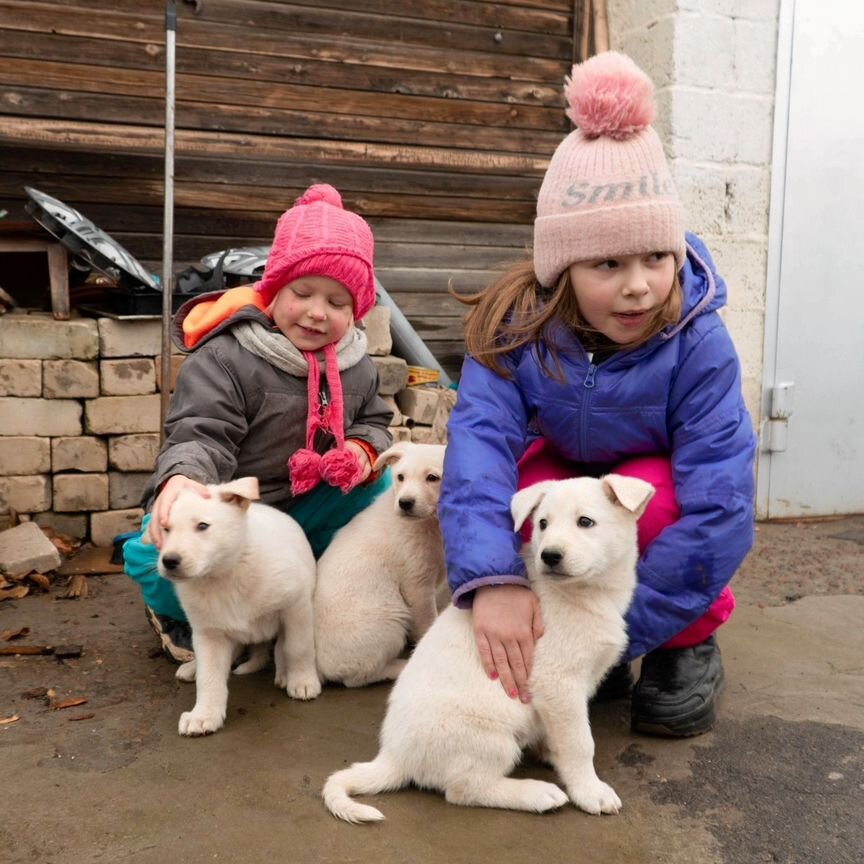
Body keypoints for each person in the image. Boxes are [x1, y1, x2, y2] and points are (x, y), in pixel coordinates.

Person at [439, 52, 756, 737]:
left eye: (655, 257)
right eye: (608, 263)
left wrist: (623, 631)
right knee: (529, 500)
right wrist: (492, 581)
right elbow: (477, 456)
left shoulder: (699, 342)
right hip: (565, 470)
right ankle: (559, 632)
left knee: (649, 504)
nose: (639, 285)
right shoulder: (513, 328)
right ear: (562, 268)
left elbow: (722, 501)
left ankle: (684, 645)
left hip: (649, 487)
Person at [123, 184, 393, 662]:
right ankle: (176, 614)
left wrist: (360, 451)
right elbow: (200, 431)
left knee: (383, 485)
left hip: (305, 505)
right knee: (149, 552)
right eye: (302, 292)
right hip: (234, 513)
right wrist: (185, 479)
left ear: (357, 311)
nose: (316, 312)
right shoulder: (227, 357)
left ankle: (321, 594)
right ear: (273, 292)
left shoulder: (358, 364)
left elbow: (374, 420)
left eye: (337, 302)